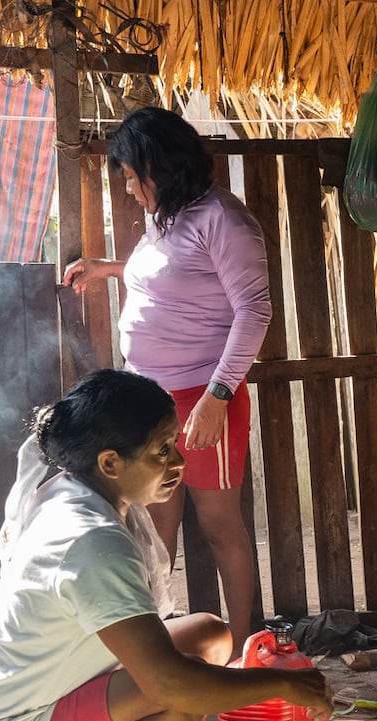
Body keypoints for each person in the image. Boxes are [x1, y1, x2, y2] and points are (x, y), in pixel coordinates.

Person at [0, 368, 329, 721]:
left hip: (29, 704)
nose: (178, 461)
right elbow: (172, 684)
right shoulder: (89, 541)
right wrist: (282, 683)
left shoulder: (75, 488)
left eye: (174, 444)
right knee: (175, 698)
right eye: (162, 450)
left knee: (208, 634)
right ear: (110, 462)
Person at [61, 107, 270, 658]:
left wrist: (217, 397)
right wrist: (110, 268)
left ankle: (245, 648)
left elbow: (255, 312)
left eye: (133, 176)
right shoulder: (167, 216)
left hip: (205, 396)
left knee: (220, 524)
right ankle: (158, 648)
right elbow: (167, 275)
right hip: (149, 400)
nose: (129, 189)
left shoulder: (224, 221)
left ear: (162, 167)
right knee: (154, 532)